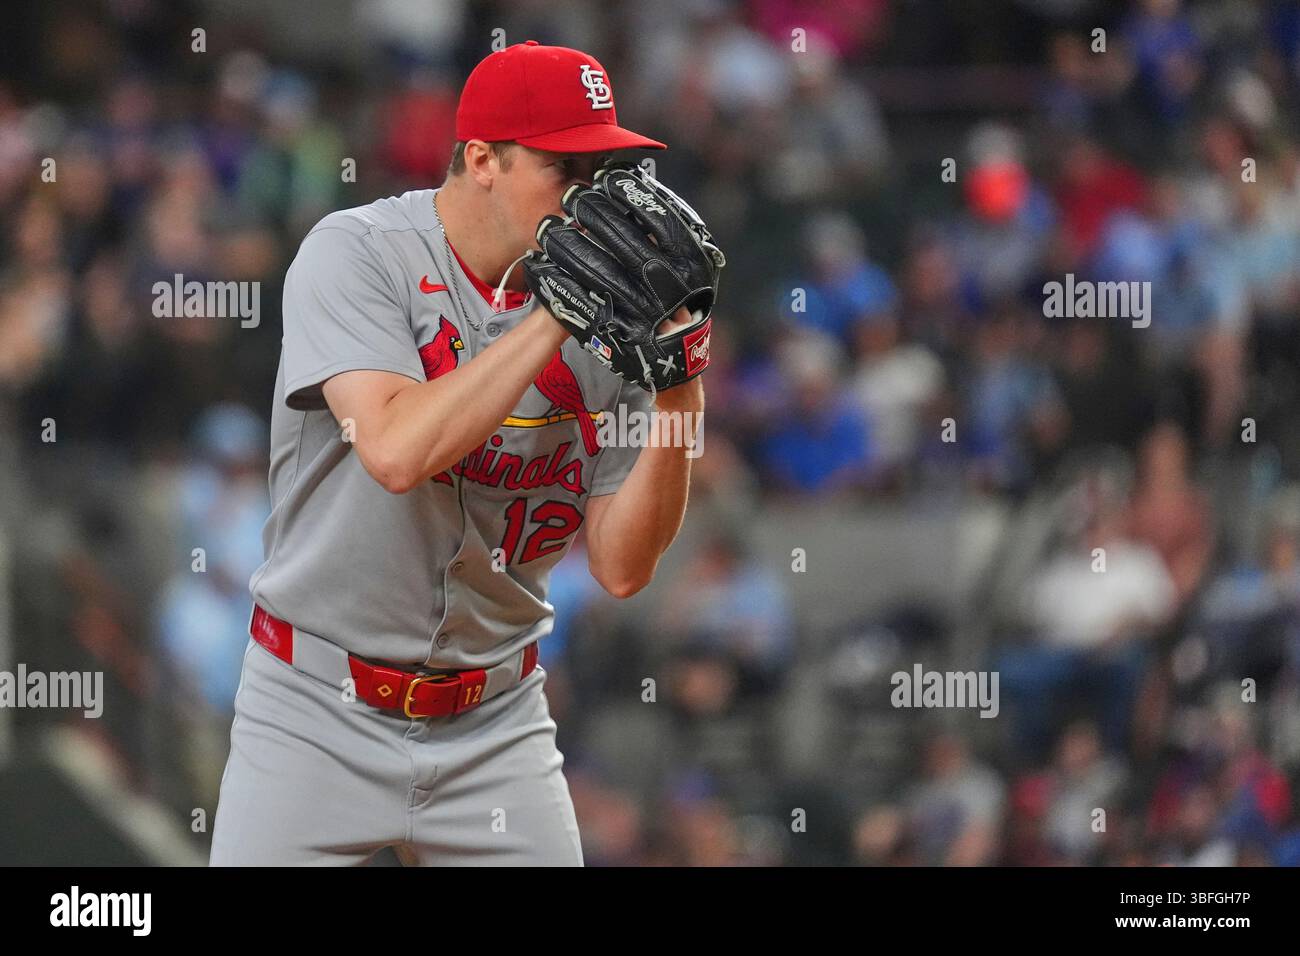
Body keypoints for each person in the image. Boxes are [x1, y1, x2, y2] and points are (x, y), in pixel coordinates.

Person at [210, 41, 705, 865]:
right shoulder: (357, 253)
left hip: (495, 721)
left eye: (604, 171)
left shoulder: (612, 317)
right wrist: (555, 314)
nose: (590, 200)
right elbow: (398, 451)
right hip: (314, 709)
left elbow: (622, 566)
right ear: (482, 159)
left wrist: (684, 384)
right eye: (564, 170)